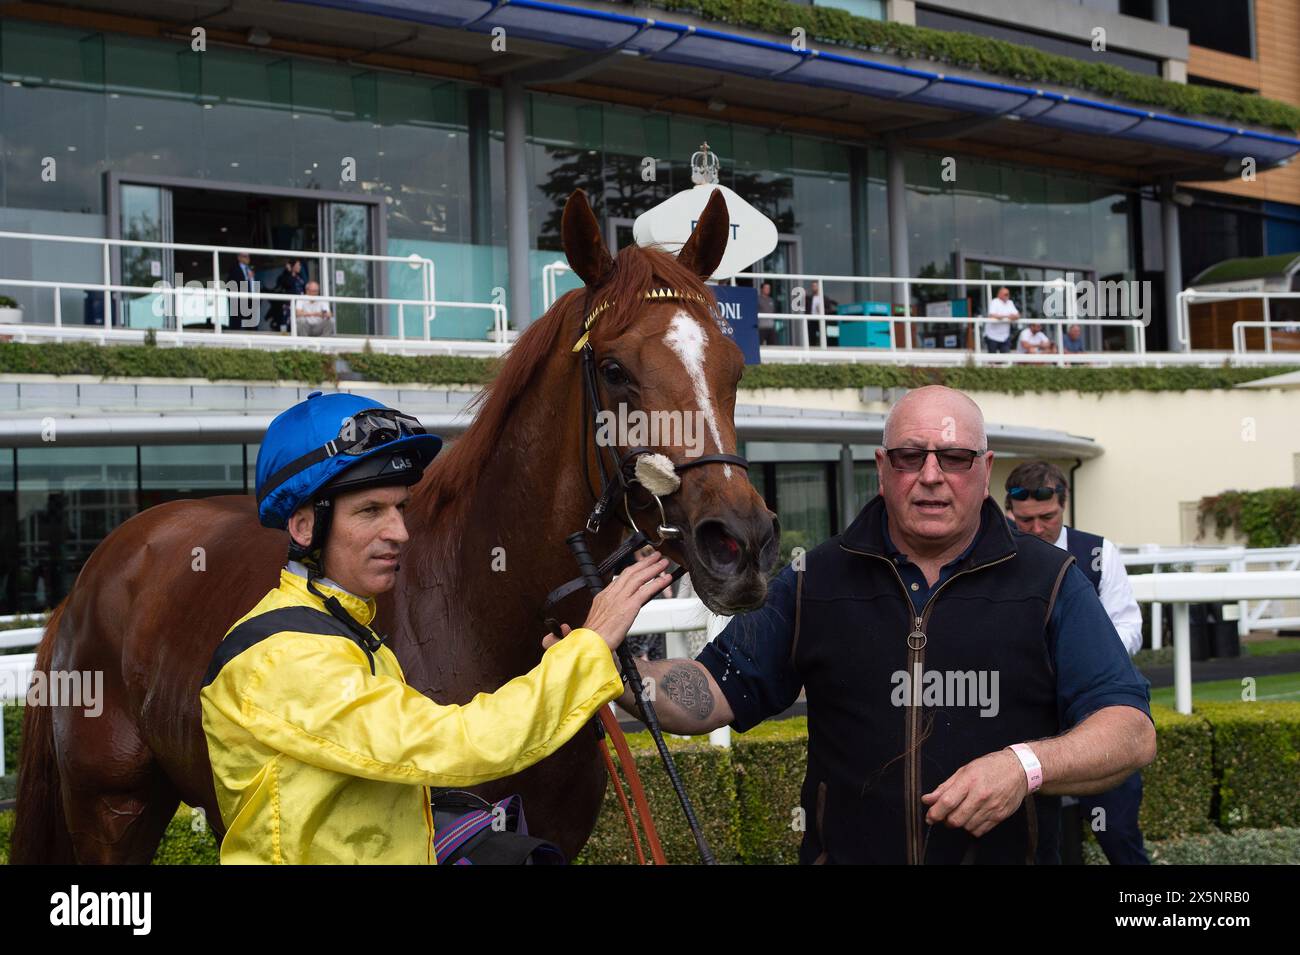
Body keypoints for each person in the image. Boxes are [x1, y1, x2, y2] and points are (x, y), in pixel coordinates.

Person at [614, 385, 1155, 864]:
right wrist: (608, 672)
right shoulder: (814, 577)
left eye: (955, 457)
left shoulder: (1051, 579)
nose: (931, 476)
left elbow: (1130, 732)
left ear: (986, 468)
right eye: (909, 457)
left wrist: (1024, 765)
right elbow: (712, 691)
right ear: (881, 466)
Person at [199, 390, 673, 864]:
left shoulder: (343, 628)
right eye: (370, 511)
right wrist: (590, 645)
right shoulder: (284, 656)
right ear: (304, 527)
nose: (399, 533)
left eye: (400, 508)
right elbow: (455, 744)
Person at [1004, 461, 1148, 865]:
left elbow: (1128, 622)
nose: (1035, 529)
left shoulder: (1098, 552)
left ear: (1064, 505)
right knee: (1033, 841)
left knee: (1117, 834)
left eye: (1047, 518)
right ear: (1009, 511)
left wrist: (1085, 658)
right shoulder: (997, 553)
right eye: (1025, 519)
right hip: (1027, 718)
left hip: (1096, 714)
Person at [264, 258, 306, 331]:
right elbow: (287, 283)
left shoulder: (300, 277)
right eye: (298, 265)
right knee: (285, 323)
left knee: (297, 323)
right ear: (292, 266)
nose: (300, 267)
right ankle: (284, 336)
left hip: (299, 304)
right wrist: (289, 272)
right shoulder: (284, 277)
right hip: (287, 305)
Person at [224, 251, 258, 330]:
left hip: (250, 301)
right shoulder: (234, 269)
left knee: (252, 326)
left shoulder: (250, 269)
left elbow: (253, 284)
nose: (248, 259)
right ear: (239, 258)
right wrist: (247, 278)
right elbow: (231, 284)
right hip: (239, 301)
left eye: (248, 256)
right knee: (236, 325)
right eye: (245, 256)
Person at [984, 286, 1017, 353]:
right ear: (999, 294)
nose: (1007, 296)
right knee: (992, 360)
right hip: (992, 336)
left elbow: (1017, 315)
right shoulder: (994, 302)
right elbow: (992, 315)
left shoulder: (1010, 303)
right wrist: (1007, 316)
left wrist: (1004, 317)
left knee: (1005, 359)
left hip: (1005, 336)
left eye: (1008, 294)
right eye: (1005, 294)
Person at [757, 281, 777, 346]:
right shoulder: (757, 299)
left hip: (771, 327)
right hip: (761, 327)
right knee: (759, 346)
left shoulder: (771, 300)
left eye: (769, 288)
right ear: (762, 289)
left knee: (773, 347)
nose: (768, 290)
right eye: (766, 288)